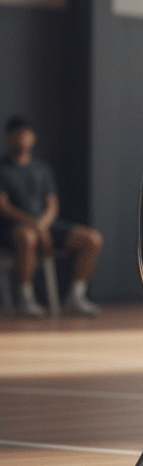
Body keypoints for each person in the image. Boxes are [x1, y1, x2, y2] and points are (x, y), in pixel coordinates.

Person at [0, 117, 103, 317]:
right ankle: (25, 299)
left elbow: (52, 205)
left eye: (25, 134)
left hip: (44, 226)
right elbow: (3, 206)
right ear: (8, 138)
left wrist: (42, 225)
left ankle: (75, 296)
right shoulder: (3, 169)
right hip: (12, 229)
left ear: (33, 138)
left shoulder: (41, 168)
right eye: (16, 135)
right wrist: (34, 227)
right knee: (27, 237)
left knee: (92, 239)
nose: (21, 139)